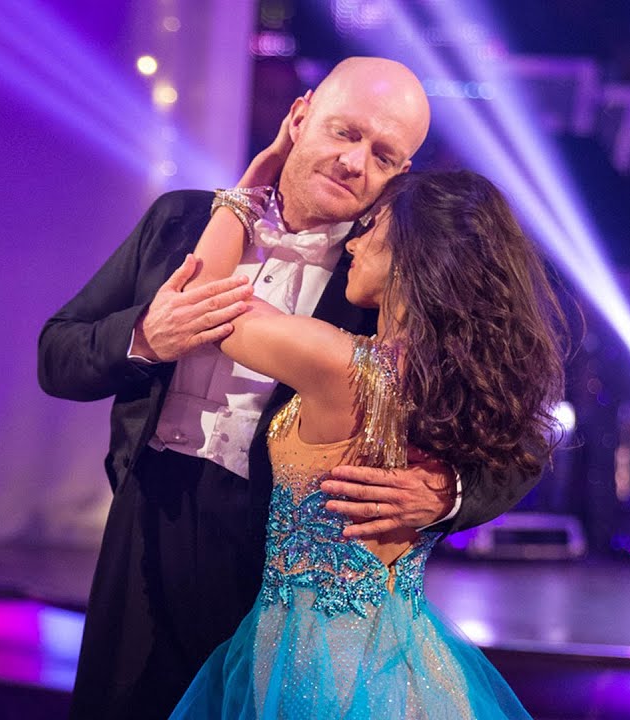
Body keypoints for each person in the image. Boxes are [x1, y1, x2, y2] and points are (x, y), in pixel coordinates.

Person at [38, 57, 542, 720]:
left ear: (401, 175)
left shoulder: (387, 271)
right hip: (149, 520)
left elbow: (520, 441)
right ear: (299, 118)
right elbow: (59, 354)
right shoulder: (176, 223)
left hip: (266, 552)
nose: (355, 161)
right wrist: (144, 338)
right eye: (344, 132)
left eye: (383, 154)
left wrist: (447, 494)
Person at [166, 109, 566, 716]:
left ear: (410, 249)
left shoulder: (339, 364)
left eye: (371, 227)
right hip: (404, 652)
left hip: (313, 660)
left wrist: (250, 186)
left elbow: (200, 301)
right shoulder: (459, 378)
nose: (352, 241)